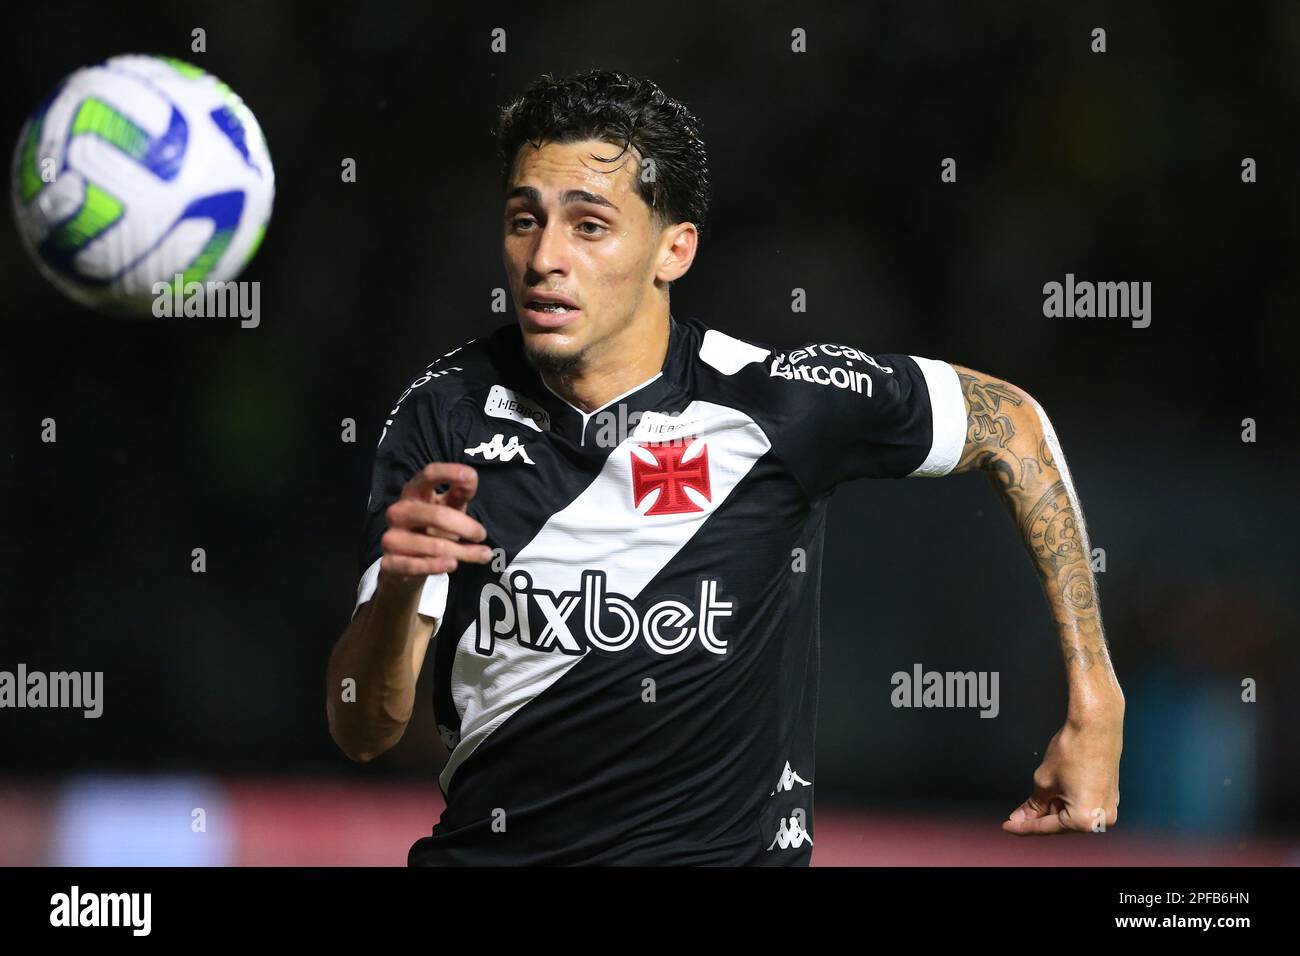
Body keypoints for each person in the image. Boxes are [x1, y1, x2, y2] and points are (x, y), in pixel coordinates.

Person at [325, 69, 1124, 865]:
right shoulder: (444, 413)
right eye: (523, 220)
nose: (543, 259)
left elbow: (1011, 422)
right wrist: (398, 589)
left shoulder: (778, 404)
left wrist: (1096, 701)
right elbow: (365, 730)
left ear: (674, 248)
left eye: (590, 225)